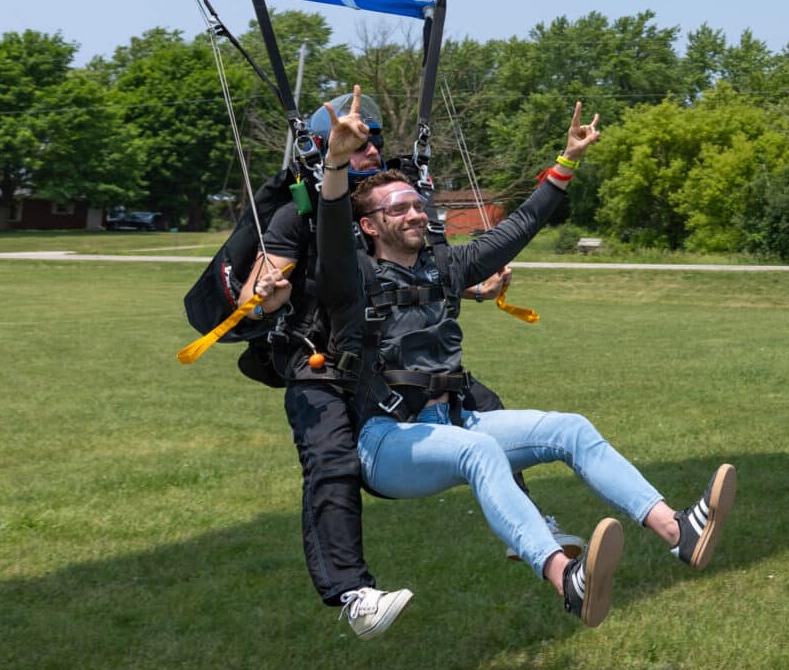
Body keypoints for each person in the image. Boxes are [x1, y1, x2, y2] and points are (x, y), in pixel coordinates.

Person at [311, 89, 736, 628]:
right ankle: (568, 580)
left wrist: (566, 162)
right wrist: (334, 162)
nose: (416, 212)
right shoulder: (353, 279)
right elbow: (328, 230)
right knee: (479, 453)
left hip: (455, 421)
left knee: (571, 429)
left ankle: (680, 532)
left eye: (418, 204)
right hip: (387, 441)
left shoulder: (445, 266)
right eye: (399, 208)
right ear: (370, 225)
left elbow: (518, 229)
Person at [237, 92, 582, 640]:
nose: (369, 145)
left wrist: (474, 288)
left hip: (384, 358)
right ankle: (354, 594)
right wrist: (267, 295)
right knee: (332, 462)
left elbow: (426, 278)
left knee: (478, 405)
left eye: (372, 136)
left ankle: (529, 530)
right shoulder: (298, 213)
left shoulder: (395, 201)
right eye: (355, 136)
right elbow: (258, 285)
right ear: (326, 148)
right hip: (321, 365)